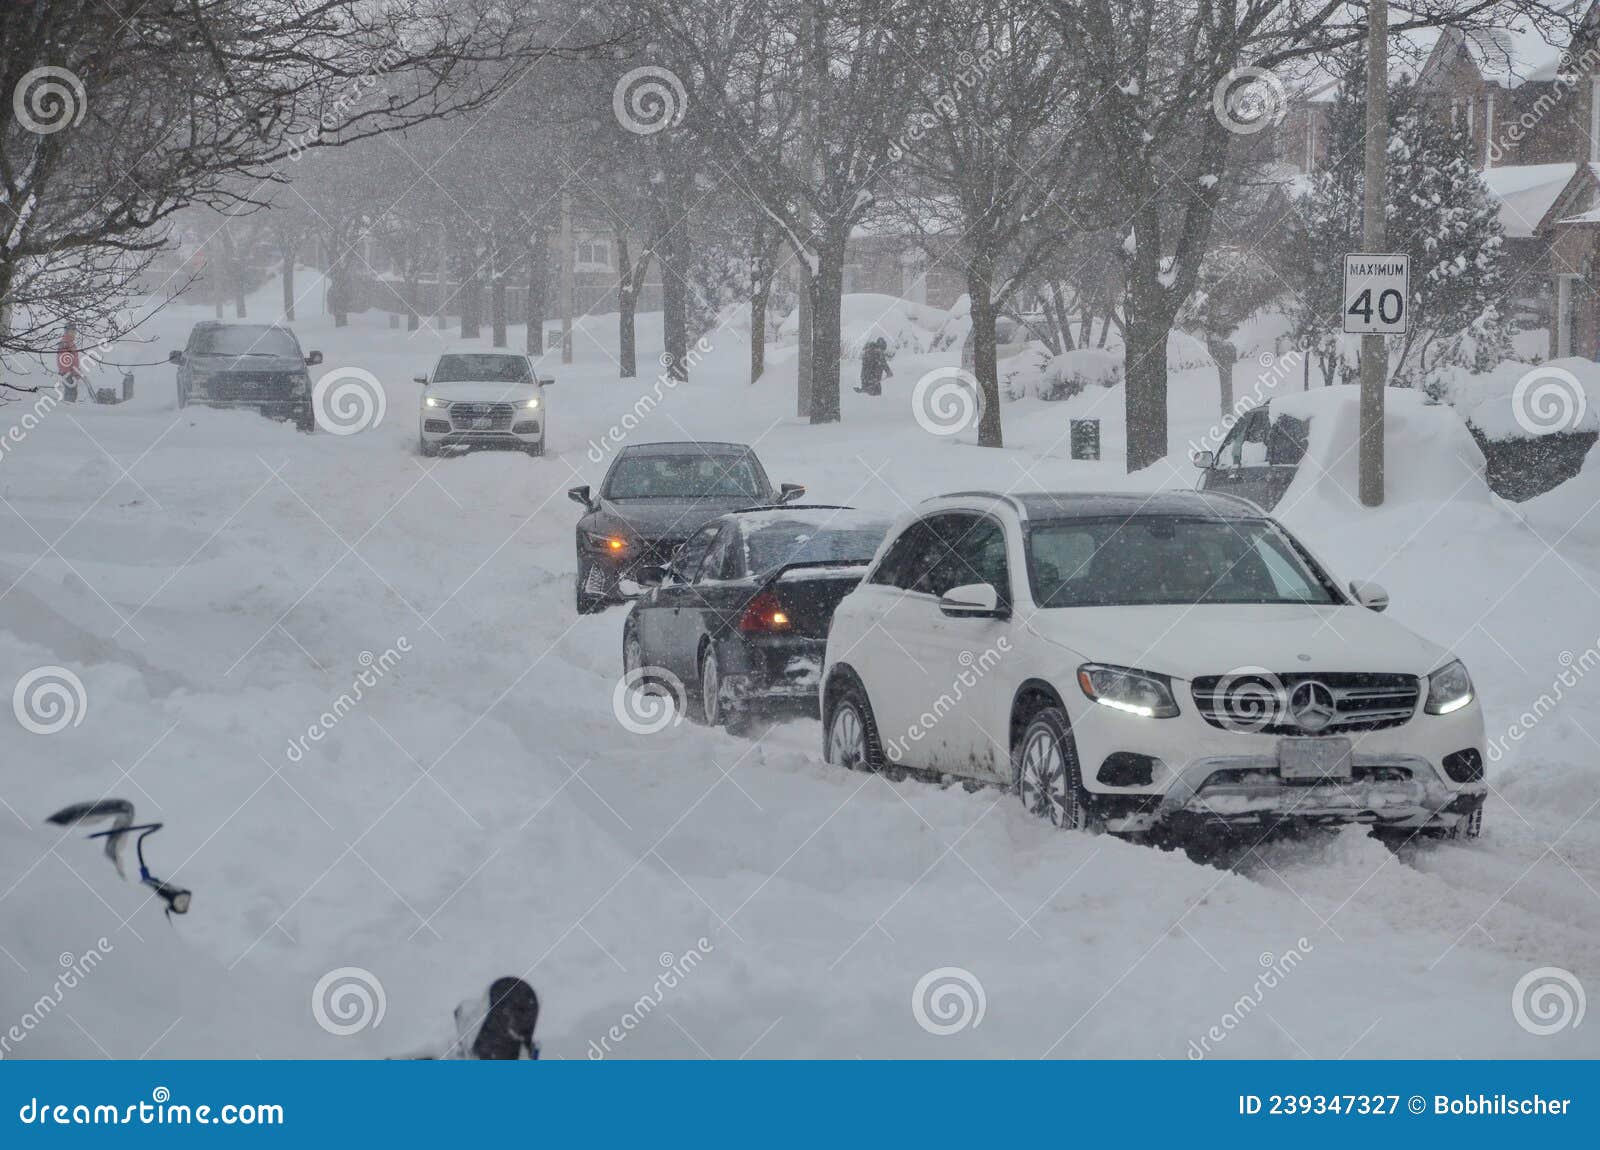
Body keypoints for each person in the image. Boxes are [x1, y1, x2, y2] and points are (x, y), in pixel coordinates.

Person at [56, 323, 81, 403]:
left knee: (73, 392)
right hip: (68, 373)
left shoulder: (70, 343)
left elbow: (74, 359)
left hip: (71, 372)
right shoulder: (65, 343)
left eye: (75, 331)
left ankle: (70, 408)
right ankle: (69, 409)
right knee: (71, 393)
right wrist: (72, 372)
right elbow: (63, 360)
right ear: (67, 331)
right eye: (72, 331)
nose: (74, 333)